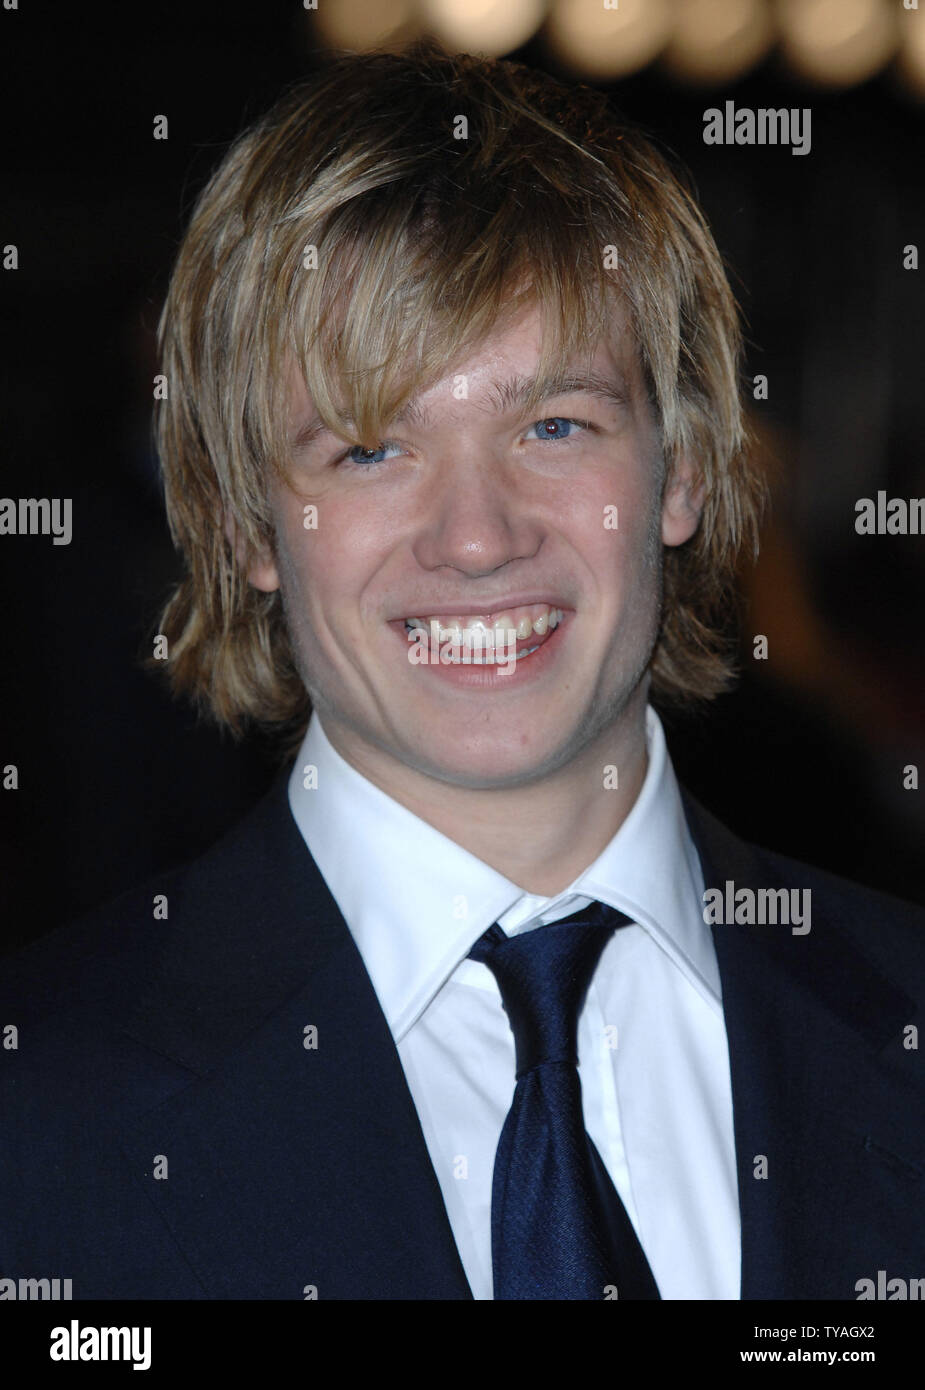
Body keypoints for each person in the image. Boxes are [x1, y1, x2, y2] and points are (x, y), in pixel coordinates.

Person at [2, 39, 923, 1303]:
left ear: (687, 467)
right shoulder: (37, 1117)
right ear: (240, 525)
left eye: (554, 426)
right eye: (372, 449)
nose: (479, 536)